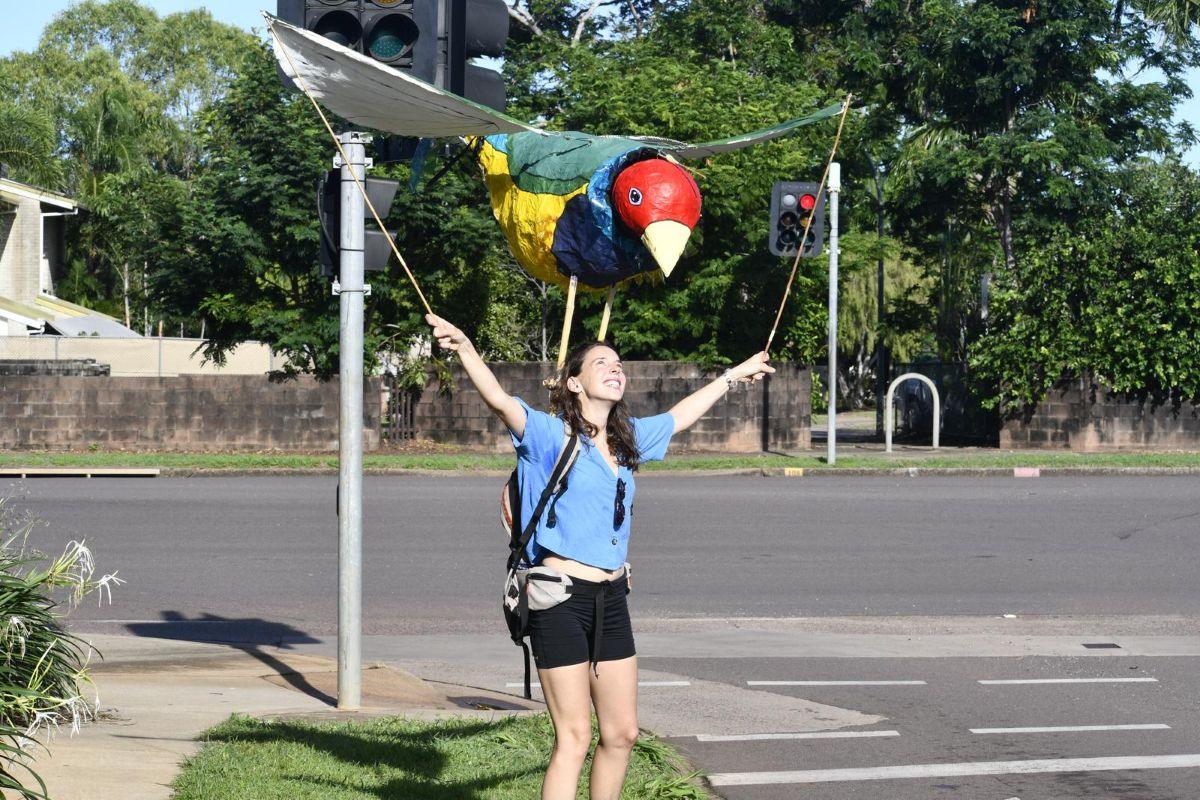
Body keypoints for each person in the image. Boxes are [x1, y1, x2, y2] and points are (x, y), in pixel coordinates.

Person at [425, 313, 774, 800]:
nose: (615, 368)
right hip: (560, 600)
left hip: (612, 598)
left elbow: (683, 414)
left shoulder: (627, 441)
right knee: (574, 738)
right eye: (601, 363)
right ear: (574, 382)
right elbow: (500, 401)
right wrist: (464, 347)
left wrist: (733, 375)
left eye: (618, 363)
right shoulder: (550, 435)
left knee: (622, 734)